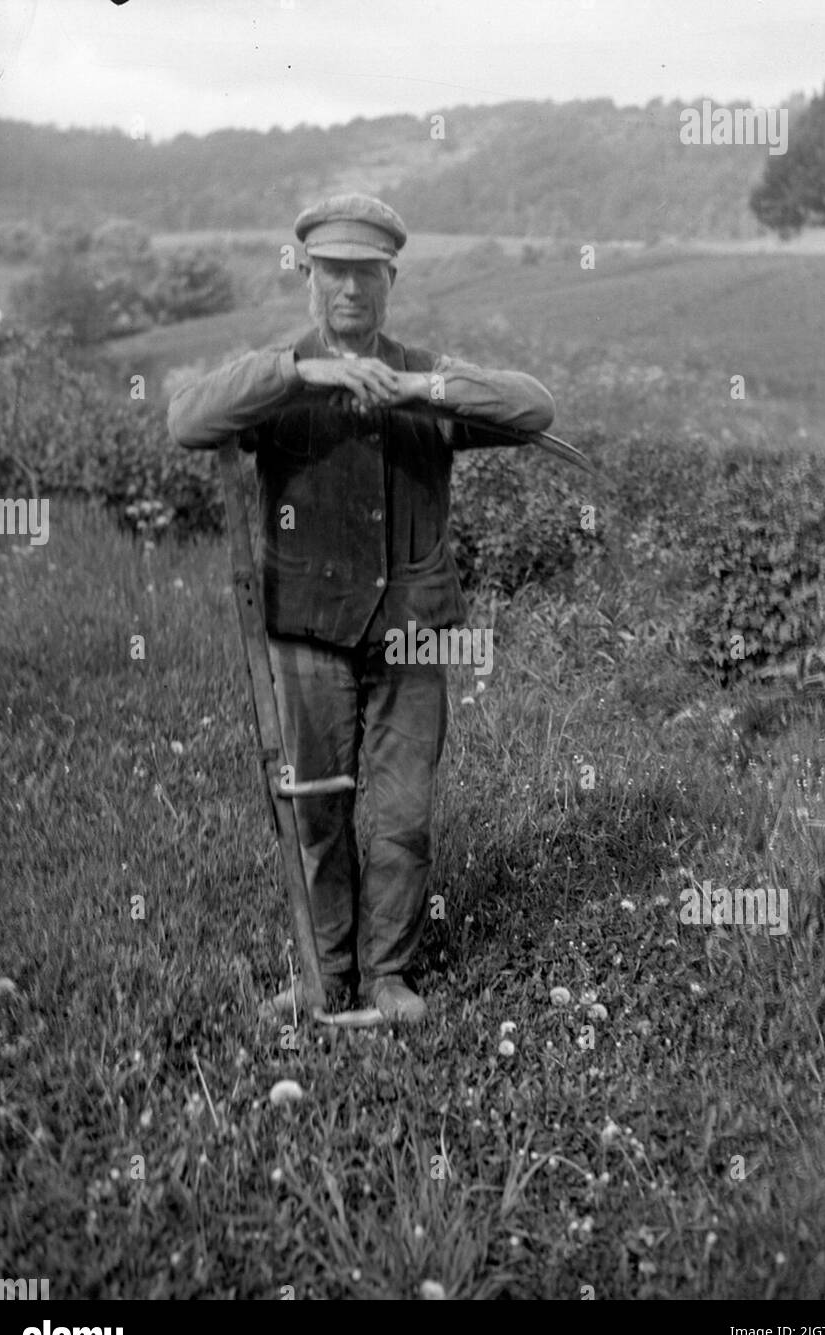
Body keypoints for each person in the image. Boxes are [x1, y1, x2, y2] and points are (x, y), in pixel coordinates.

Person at [168, 193, 555, 1023]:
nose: (349, 290)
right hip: (306, 631)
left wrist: (421, 387)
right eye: (332, 272)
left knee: (404, 816)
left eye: (366, 274)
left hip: (412, 634)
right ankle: (320, 975)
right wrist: (305, 374)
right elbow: (186, 419)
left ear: (390, 280)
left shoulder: (426, 378)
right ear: (308, 277)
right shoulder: (279, 379)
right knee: (316, 808)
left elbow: (533, 409)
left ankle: (385, 976)